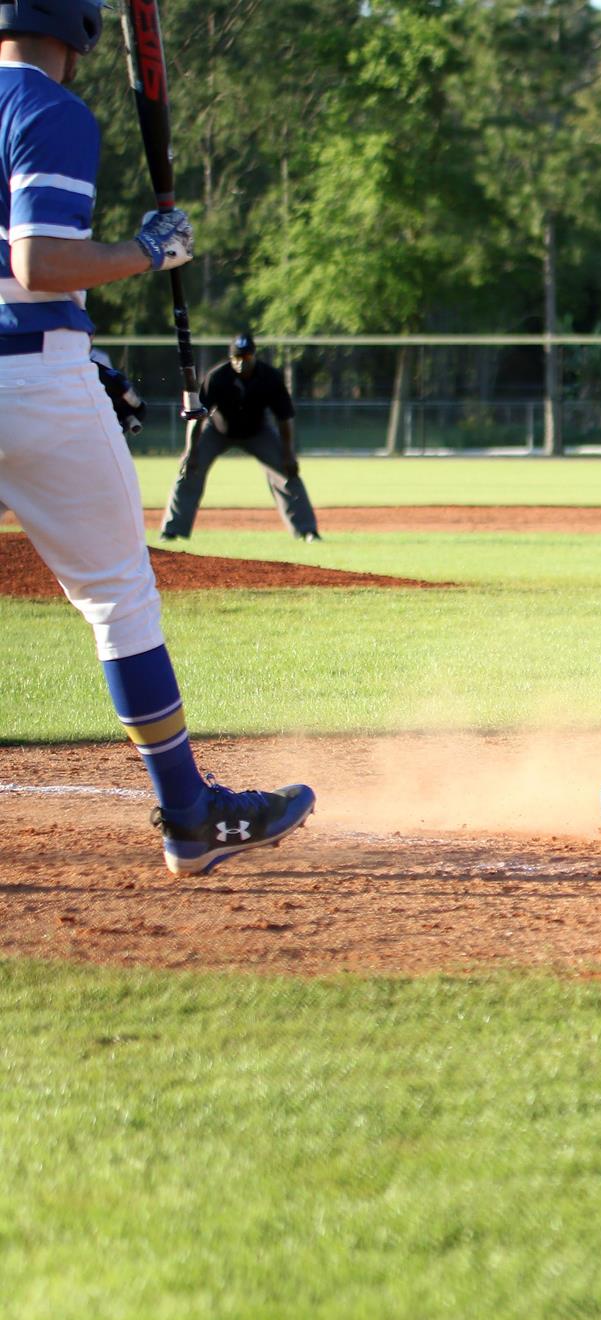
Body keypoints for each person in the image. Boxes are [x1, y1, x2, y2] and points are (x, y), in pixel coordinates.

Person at [1, 0, 313, 873]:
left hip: (29, 361)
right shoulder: (50, 109)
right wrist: (146, 251)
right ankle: (189, 815)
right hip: (34, 380)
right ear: (77, 24)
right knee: (118, 598)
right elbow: (37, 263)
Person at [159, 332, 318, 541]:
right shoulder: (217, 376)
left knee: (287, 471)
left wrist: (288, 453)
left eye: (246, 358)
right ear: (230, 358)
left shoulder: (270, 377)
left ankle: (307, 530)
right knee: (190, 469)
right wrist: (191, 451)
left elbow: (284, 418)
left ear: (254, 356)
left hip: (257, 431)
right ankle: (171, 530)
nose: (241, 363)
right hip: (218, 430)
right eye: (237, 358)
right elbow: (197, 417)